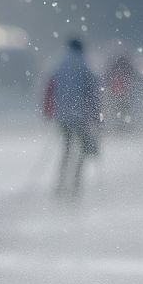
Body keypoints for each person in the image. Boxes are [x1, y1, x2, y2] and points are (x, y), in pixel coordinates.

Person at [42, 38, 102, 198]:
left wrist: (49, 111)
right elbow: (92, 93)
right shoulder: (84, 66)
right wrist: (96, 115)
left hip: (62, 115)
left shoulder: (59, 65)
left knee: (66, 149)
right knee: (83, 149)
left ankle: (60, 183)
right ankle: (76, 183)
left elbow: (50, 89)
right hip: (80, 116)